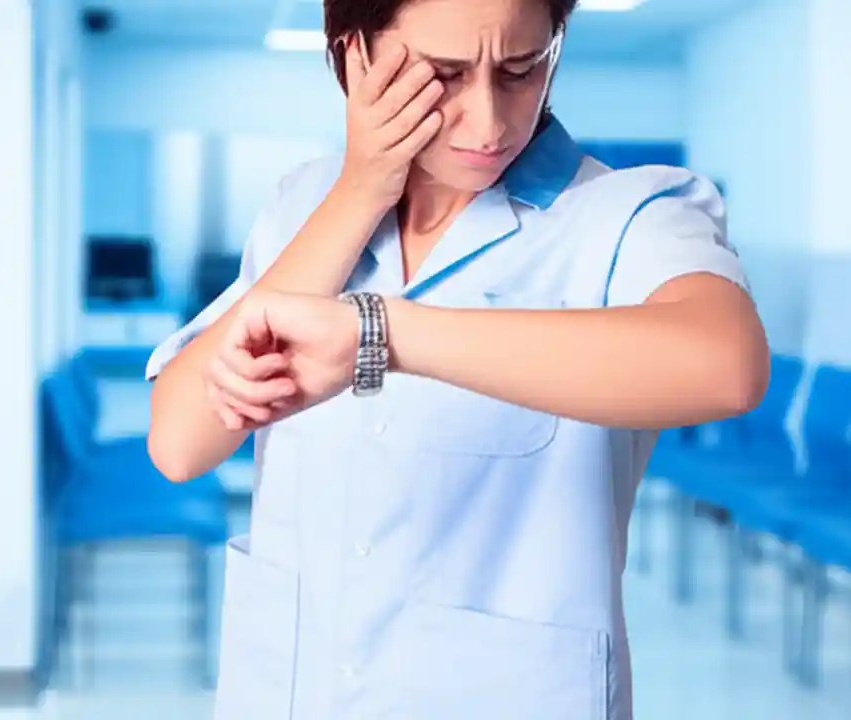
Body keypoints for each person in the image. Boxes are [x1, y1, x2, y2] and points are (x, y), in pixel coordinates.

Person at [145, 0, 769, 717]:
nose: (490, 121)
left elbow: (726, 364)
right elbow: (179, 442)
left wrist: (381, 335)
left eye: (520, 69)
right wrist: (359, 190)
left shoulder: (627, 214)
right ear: (357, 56)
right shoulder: (301, 206)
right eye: (442, 74)